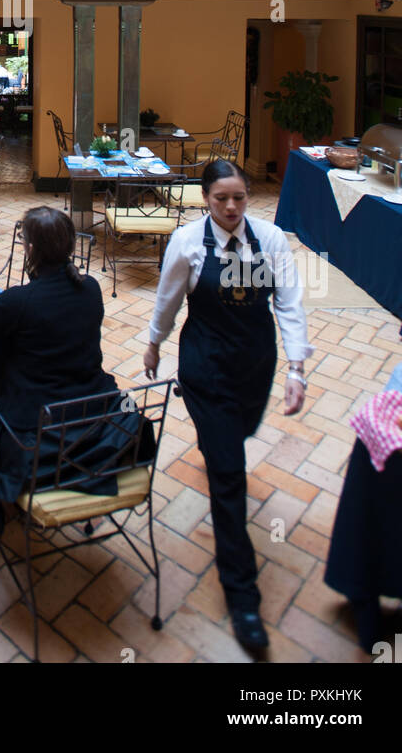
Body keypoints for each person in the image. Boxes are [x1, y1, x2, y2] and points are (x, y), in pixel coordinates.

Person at [143, 158, 312, 654]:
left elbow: (290, 303)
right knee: (229, 476)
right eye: (221, 199)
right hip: (205, 366)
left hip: (255, 365)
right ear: (205, 199)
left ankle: (220, 450)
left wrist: (296, 369)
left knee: (234, 441)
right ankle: (243, 597)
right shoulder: (188, 243)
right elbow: (168, 299)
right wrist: (154, 343)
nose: (232, 207)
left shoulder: (270, 240)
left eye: (239, 197)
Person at [0, 206, 153, 549]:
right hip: (91, 413)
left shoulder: (17, 302)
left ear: (30, 249)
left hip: (36, 429)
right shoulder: (91, 289)